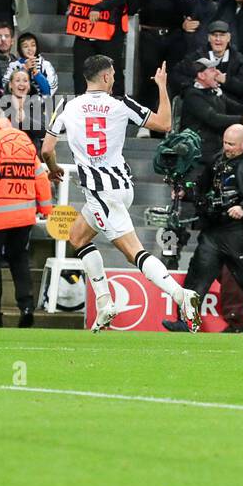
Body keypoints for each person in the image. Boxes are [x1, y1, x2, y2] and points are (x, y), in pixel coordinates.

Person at [41, 56, 200, 332]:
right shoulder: (121, 104)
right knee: (77, 236)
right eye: (113, 73)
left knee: (133, 252)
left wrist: (53, 169)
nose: (114, 78)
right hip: (120, 187)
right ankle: (105, 303)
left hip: (102, 193)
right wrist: (162, 86)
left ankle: (181, 295)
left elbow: (46, 149)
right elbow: (164, 124)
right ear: (104, 78)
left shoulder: (66, 105)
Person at [163, 124, 243, 334]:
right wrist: (185, 193)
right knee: (197, 274)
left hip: (238, 231)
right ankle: (184, 320)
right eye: (225, 143)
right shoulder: (218, 160)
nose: (227, 148)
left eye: (232, 145)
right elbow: (201, 186)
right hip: (214, 228)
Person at [0, 103, 52, 328]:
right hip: (24, 216)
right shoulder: (24, 140)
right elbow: (41, 177)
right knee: (19, 260)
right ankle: (26, 306)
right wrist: (47, 210)